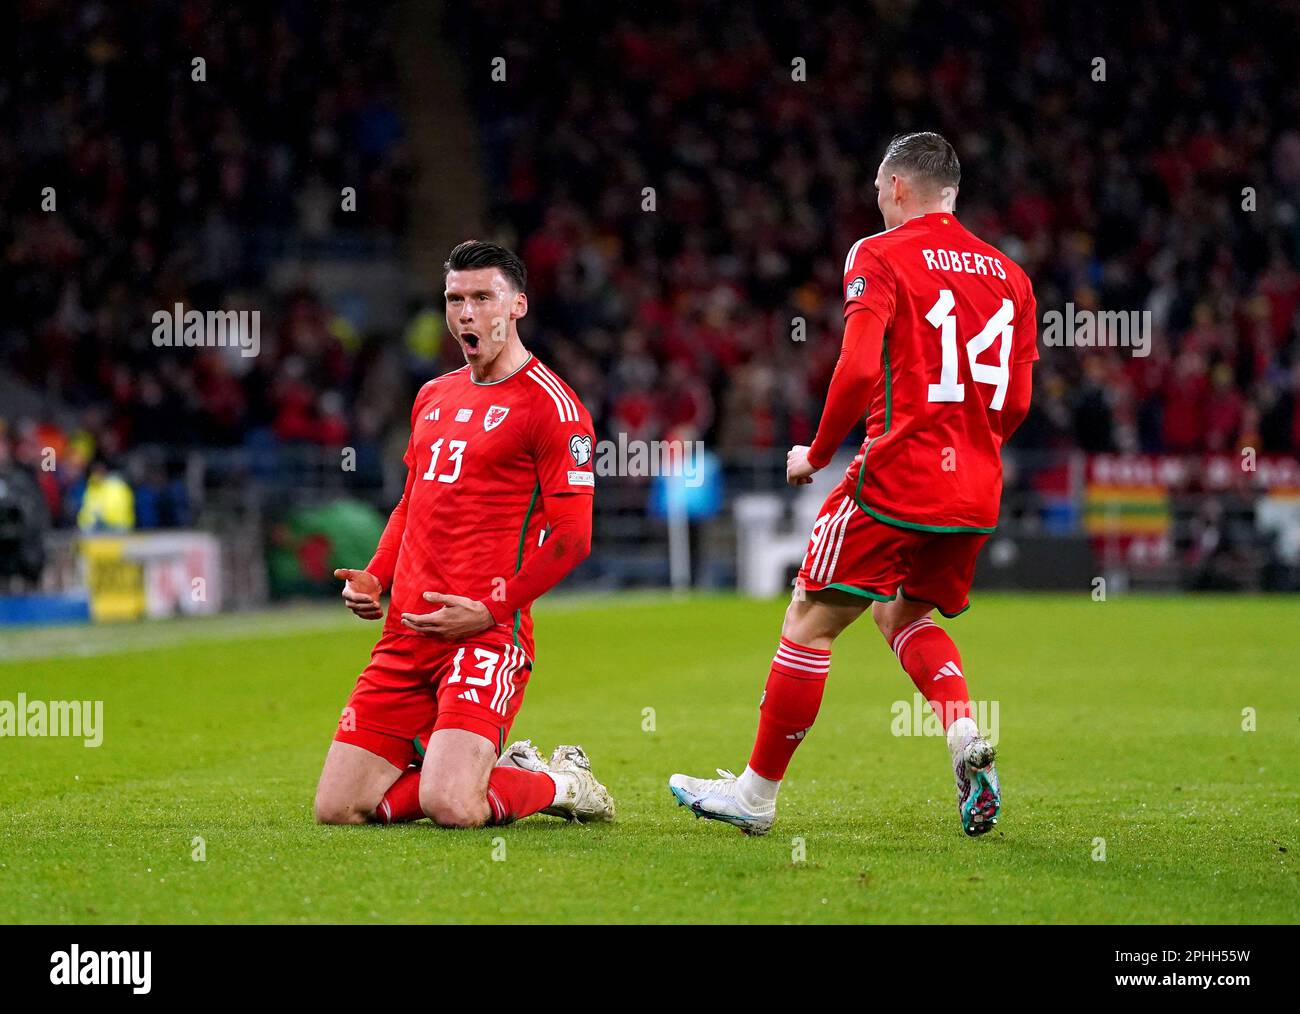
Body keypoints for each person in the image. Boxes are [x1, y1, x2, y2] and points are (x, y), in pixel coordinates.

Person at [669, 132, 1038, 837]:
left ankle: (754, 797)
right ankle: (964, 736)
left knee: (809, 619)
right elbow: (1016, 402)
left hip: (897, 478)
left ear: (898, 187)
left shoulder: (879, 253)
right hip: (975, 490)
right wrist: (971, 448)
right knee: (903, 615)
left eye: (876, 186)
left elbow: (861, 368)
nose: (875, 198)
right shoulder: (1011, 276)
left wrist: (816, 450)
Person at [314, 240, 614, 829]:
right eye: (456, 299)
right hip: (406, 634)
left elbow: (573, 539)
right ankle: (484, 764)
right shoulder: (432, 396)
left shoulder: (553, 407)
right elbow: (411, 501)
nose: (468, 313)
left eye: (483, 297)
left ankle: (560, 781)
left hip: (486, 637)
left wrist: (489, 610)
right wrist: (377, 575)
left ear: (518, 305)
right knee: (338, 809)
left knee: (450, 805)